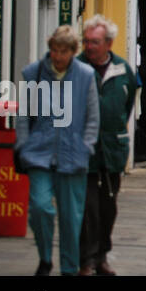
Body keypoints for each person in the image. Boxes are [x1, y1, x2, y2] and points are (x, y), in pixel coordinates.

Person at [16, 25, 100, 276]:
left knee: (70, 219)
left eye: (63, 51)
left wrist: (86, 147)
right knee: (41, 207)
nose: (58, 56)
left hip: (73, 154)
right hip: (38, 153)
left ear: (73, 52)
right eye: (54, 50)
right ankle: (44, 258)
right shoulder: (33, 73)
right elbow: (23, 115)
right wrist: (23, 144)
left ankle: (68, 268)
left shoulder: (85, 75)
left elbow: (93, 117)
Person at [77, 15, 137, 276]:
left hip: (112, 149)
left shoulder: (123, 70)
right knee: (87, 208)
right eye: (86, 41)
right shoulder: (75, 68)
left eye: (95, 42)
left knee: (108, 206)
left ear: (109, 44)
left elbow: (127, 105)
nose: (89, 46)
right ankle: (86, 261)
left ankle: (102, 256)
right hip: (83, 150)